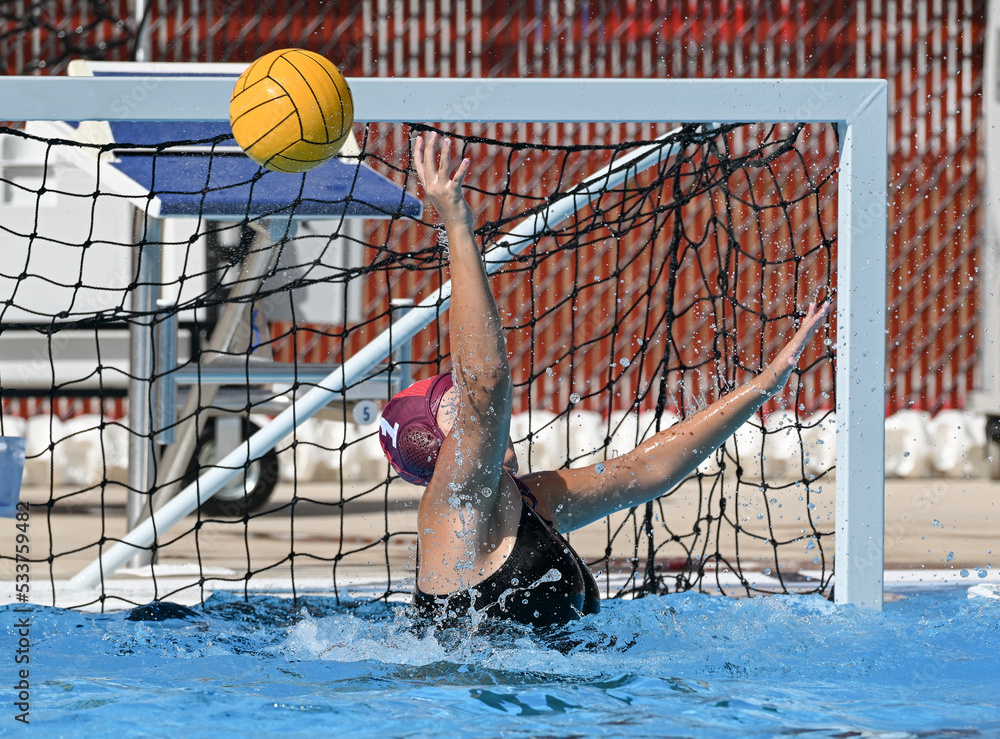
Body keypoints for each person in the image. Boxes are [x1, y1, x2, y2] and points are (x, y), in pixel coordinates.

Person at [379, 132, 832, 628]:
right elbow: (485, 382)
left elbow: (649, 469)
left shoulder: (529, 498)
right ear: (440, 446)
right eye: (455, 408)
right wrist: (458, 226)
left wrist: (765, 384)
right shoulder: (450, 507)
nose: (472, 409)